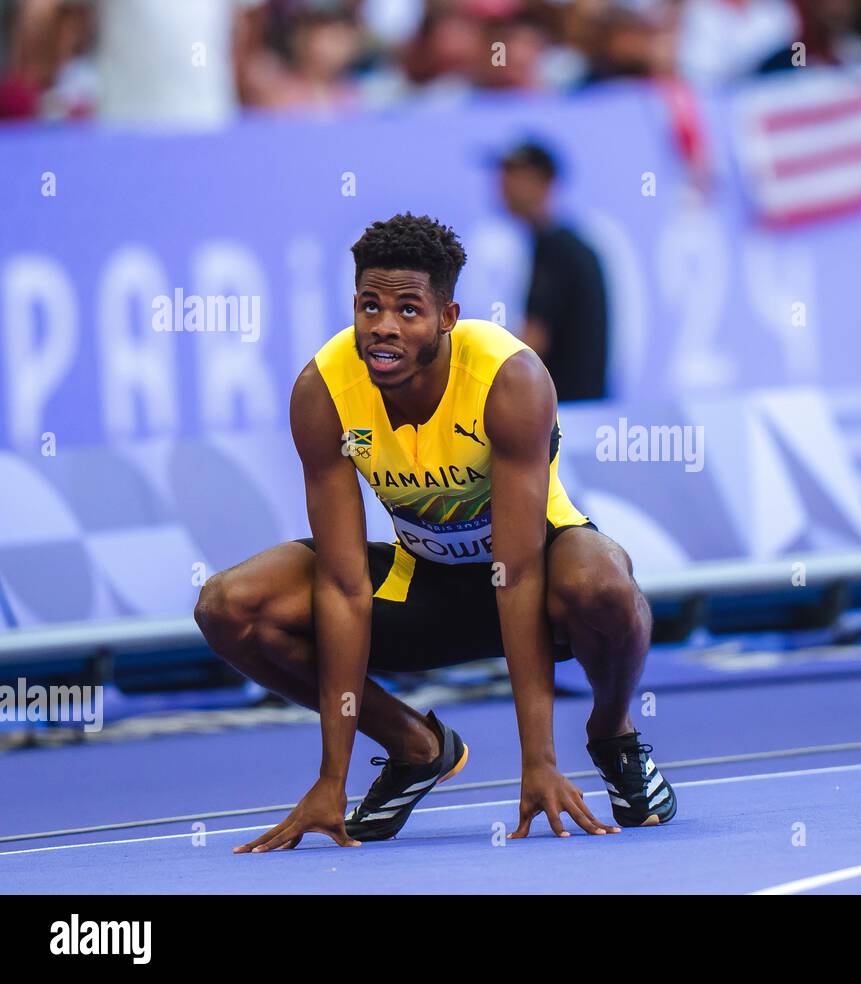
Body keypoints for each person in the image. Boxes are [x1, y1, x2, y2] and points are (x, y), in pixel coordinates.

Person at [194, 213, 675, 851]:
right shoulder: (323, 391)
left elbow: (519, 573)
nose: (383, 327)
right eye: (369, 305)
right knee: (229, 607)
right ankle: (414, 747)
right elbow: (344, 586)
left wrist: (539, 761)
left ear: (447, 316)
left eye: (408, 310)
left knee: (605, 582)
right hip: (424, 582)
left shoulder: (510, 378)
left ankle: (612, 735)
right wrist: (330, 778)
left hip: (539, 571)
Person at [497, 140, 610, 402]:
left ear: (543, 182)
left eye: (513, 173)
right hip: (578, 408)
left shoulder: (554, 250)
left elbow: (532, 343)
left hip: (566, 412)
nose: (502, 183)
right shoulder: (564, 245)